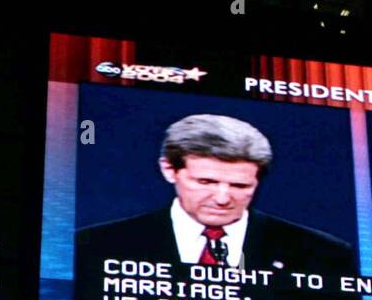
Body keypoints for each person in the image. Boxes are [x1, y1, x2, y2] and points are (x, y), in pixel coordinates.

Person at [75, 113, 352, 282]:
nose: (222, 198)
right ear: (169, 170)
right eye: (206, 181)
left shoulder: (322, 253)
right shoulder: (94, 246)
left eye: (239, 185)